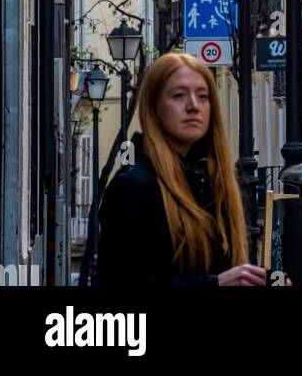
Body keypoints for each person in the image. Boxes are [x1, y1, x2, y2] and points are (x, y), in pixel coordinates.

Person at [95, 51, 267, 287]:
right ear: (154, 107)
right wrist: (215, 284)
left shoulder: (214, 184)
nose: (193, 106)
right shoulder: (133, 187)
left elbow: (222, 272)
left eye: (203, 96)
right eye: (178, 95)